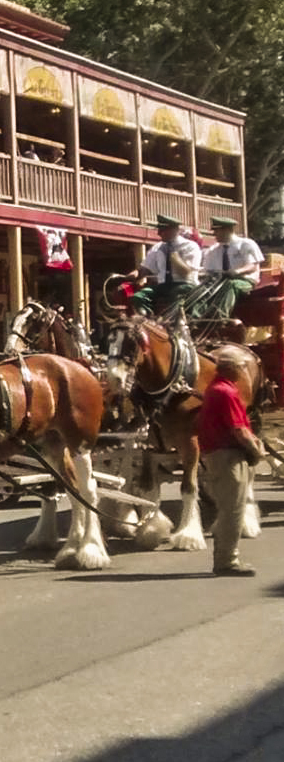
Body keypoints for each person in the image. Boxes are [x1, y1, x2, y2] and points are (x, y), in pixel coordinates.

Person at [196, 356, 264, 576]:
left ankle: (225, 557)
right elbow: (239, 429)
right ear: (231, 369)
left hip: (218, 454)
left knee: (230, 507)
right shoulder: (227, 392)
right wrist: (255, 450)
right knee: (232, 509)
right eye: (242, 367)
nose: (244, 371)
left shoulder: (215, 389)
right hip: (228, 455)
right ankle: (227, 560)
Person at [127, 214, 200, 316]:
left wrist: (174, 257)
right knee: (138, 297)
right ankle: (148, 323)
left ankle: (179, 325)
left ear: (175, 230)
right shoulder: (157, 248)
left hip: (184, 284)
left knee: (176, 294)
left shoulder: (190, 246)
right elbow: (145, 269)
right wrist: (131, 275)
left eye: (162, 230)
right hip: (163, 286)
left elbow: (186, 273)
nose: (158, 233)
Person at [199, 215, 263, 319]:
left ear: (227, 230)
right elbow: (208, 271)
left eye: (217, 230)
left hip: (245, 281)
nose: (214, 234)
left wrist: (236, 272)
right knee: (202, 288)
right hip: (220, 281)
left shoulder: (246, 244)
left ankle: (219, 316)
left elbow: (252, 266)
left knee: (230, 284)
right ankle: (195, 317)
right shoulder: (212, 250)